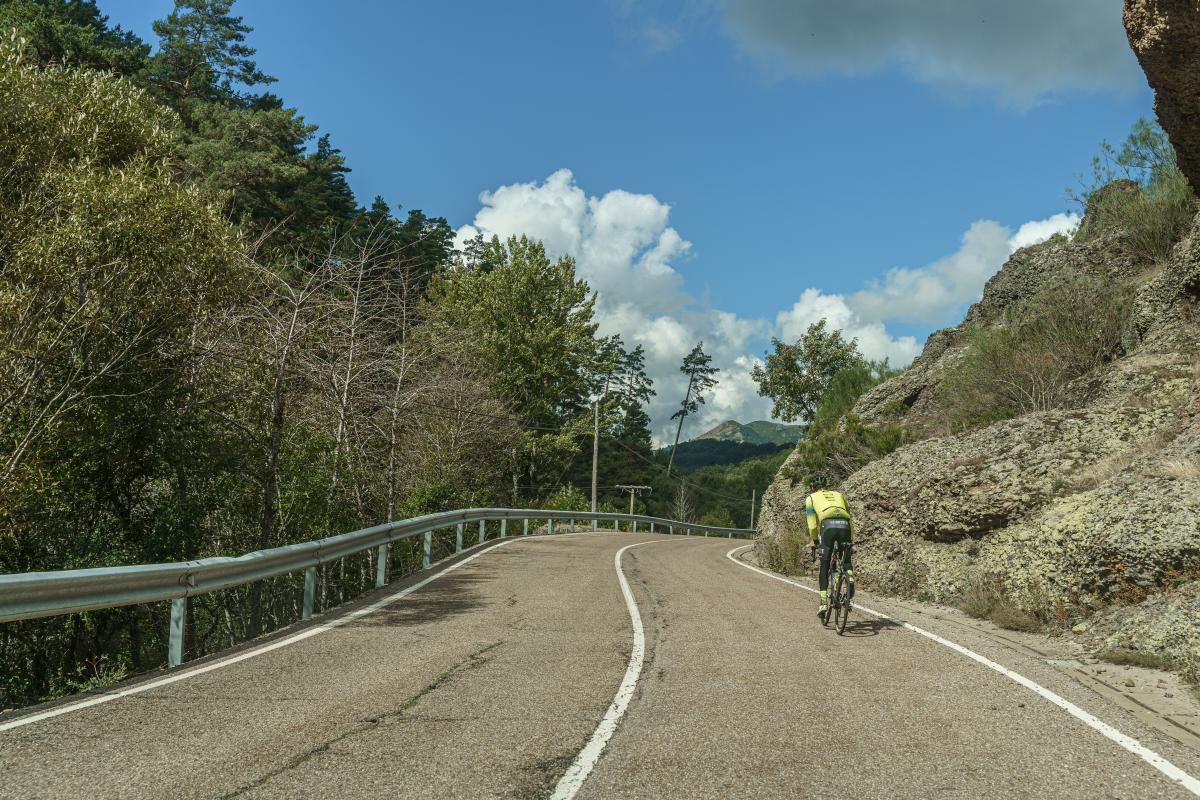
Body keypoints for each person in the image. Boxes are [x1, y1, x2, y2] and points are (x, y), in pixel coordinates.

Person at [804, 479, 855, 619]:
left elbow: (812, 525)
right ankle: (849, 577)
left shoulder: (810, 498)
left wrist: (815, 541)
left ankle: (823, 603)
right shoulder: (839, 495)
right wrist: (851, 541)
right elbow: (849, 516)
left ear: (812, 487)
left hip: (828, 526)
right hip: (845, 525)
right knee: (846, 560)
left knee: (825, 564)